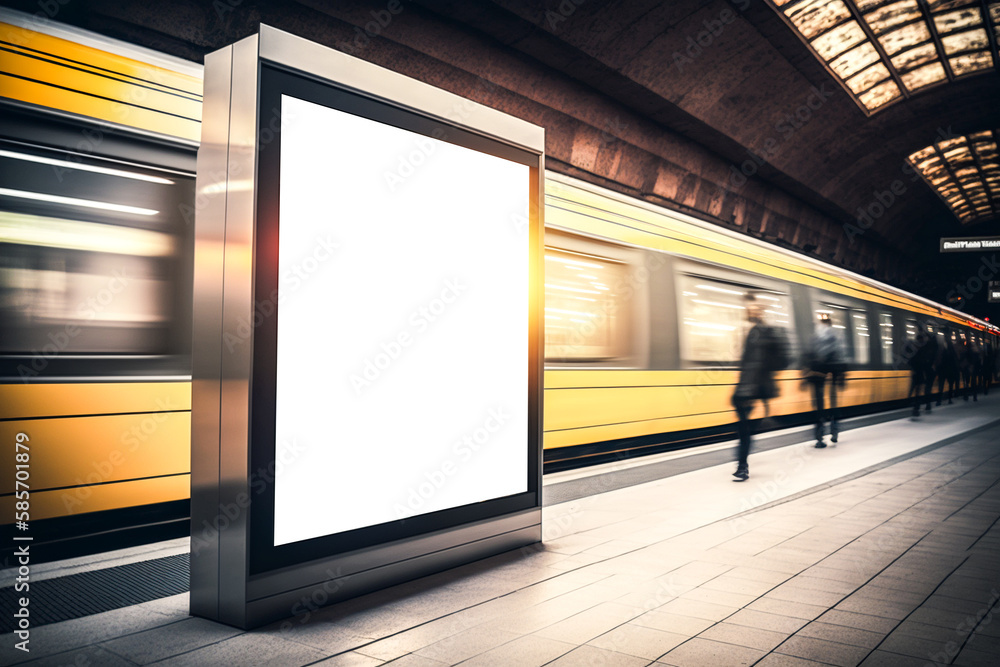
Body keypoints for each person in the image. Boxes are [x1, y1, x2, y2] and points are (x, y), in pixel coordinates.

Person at [731, 294, 791, 481]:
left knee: (744, 427)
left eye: (753, 308)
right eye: (749, 307)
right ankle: (742, 463)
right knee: (744, 427)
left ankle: (742, 465)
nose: (749, 310)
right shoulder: (753, 331)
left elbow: (754, 363)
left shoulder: (759, 332)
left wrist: (746, 389)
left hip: (751, 386)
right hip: (750, 385)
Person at [803, 313, 847, 448]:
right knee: (833, 404)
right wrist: (841, 376)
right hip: (831, 375)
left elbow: (808, 356)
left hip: (818, 375)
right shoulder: (836, 337)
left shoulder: (814, 338)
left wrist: (806, 374)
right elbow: (840, 356)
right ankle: (834, 432)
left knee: (819, 407)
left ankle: (820, 438)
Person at [909, 323, 937, 418]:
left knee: (918, 390)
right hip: (923, 371)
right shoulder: (927, 348)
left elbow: (911, 360)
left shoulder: (915, 348)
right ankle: (923, 406)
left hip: (918, 372)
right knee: (924, 389)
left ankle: (917, 407)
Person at [936, 333, 959, 406]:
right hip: (949, 369)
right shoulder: (951, 347)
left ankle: (939, 400)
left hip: (944, 369)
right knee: (950, 385)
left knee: (941, 385)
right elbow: (955, 357)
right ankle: (949, 399)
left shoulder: (940, 346)